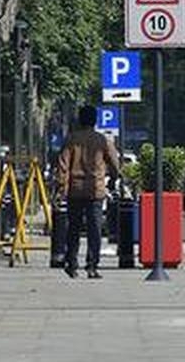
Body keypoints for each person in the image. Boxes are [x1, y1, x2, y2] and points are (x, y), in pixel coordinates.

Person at [57, 106, 120, 279]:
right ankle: (92, 265)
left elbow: (63, 165)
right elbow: (115, 164)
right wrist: (114, 178)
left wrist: (62, 188)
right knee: (94, 229)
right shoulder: (102, 140)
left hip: (75, 190)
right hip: (95, 190)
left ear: (80, 120)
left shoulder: (71, 139)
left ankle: (72, 264)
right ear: (95, 121)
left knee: (74, 228)